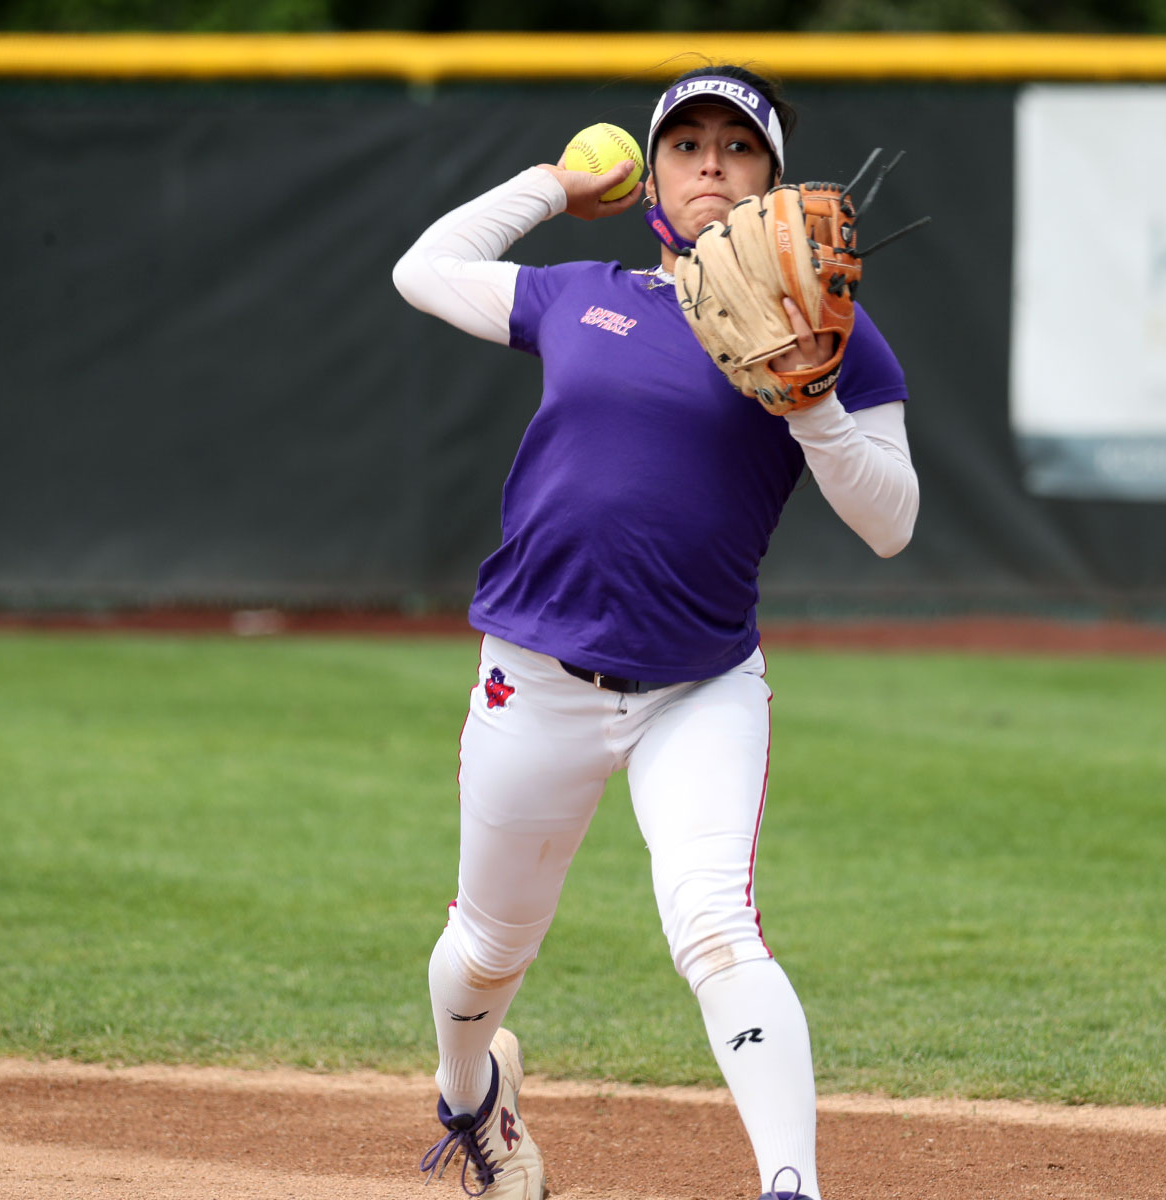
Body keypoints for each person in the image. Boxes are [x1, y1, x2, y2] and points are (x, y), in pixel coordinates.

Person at [391, 63, 919, 1200]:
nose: (712, 165)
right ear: (655, 177)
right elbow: (421, 271)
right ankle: (469, 1094)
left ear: (774, 180)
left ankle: (791, 1184)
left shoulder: (831, 327)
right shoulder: (584, 292)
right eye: (688, 146)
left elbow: (893, 521)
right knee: (488, 949)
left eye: (739, 147)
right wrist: (550, 184)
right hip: (535, 675)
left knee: (718, 932)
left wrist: (812, 398)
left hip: (700, 686)